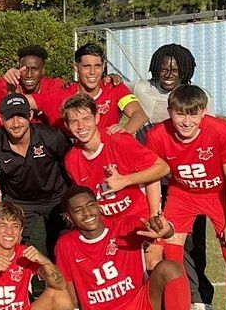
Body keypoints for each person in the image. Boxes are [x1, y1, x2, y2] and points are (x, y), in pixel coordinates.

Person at [143, 84, 226, 310]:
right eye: (180, 114)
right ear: (169, 111)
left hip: (218, 195)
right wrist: (155, 214)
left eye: (193, 114)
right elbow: (153, 177)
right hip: (182, 195)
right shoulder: (157, 134)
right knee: (172, 255)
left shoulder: (221, 130)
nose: (186, 121)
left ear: (203, 112)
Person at [54, 187, 197, 310]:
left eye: (90, 205)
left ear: (99, 205)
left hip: (144, 307)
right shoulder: (65, 244)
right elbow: (70, 293)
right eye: (78, 210)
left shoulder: (125, 225)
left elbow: (161, 229)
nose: (87, 213)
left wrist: (167, 229)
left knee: (170, 267)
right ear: (68, 217)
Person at [132, 44, 215, 310]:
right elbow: (119, 98)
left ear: (186, 71)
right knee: (156, 237)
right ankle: (161, 292)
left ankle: (199, 296)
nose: (168, 74)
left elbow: (207, 137)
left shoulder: (198, 96)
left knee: (192, 240)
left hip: (187, 180)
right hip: (152, 178)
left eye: (175, 69)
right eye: (163, 68)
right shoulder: (141, 89)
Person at [62, 93, 169, 233]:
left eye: (86, 119)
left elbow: (162, 168)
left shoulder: (118, 140)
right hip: (107, 227)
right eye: (74, 121)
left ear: (97, 118)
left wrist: (125, 180)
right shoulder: (71, 159)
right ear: (67, 125)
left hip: (139, 221)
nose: (81, 126)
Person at [0, 93, 70, 259]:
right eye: (9, 118)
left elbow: (72, 164)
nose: (16, 124)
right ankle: (15, 274)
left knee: (62, 243)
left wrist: (71, 199)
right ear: (0, 118)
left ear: (30, 115)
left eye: (21, 116)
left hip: (56, 196)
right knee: (9, 243)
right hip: (19, 200)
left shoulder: (51, 136)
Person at [31, 42, 146, 134]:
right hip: (75, 155)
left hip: (108, 153)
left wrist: (124, 131)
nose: (92, 72)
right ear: (76, 68)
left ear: (103, 67)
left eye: (97, 66)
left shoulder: (114, 88)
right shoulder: (62, 94)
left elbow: (139, 114)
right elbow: (26, 101)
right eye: (87, 66)